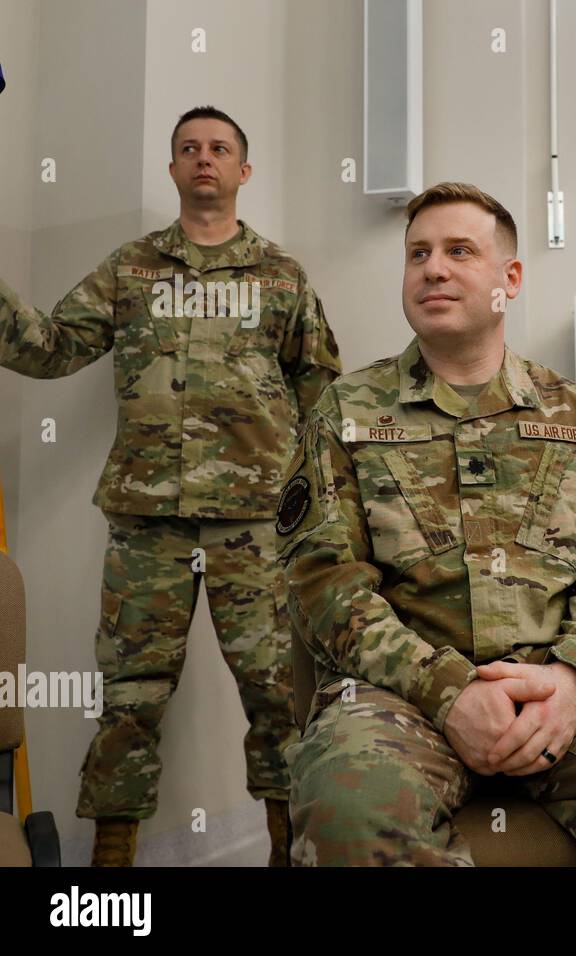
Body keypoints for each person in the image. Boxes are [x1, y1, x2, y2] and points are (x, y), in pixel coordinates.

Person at [279, 181, 576, 866]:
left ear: (509, 279)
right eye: (417, 253)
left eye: (458, 251)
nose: (433, 268)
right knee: (350, 810)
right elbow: (324, 586)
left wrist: (572, 681)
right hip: (402, 698)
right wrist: (449, 694)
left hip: (561, 691)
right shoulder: (348, 411)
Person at [0, 106, 342, 866]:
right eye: (189, 148)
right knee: (128, 701)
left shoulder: (280, 275)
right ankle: (112, 871)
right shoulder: (131, 269)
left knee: (278, 697)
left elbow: (322, 391)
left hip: (256, 526)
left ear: (243, 171)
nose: (204, 159)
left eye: (220, 149)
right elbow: (50, 349)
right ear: (173, 168)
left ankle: (290, 852)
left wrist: (318, 515)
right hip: (147, 522)